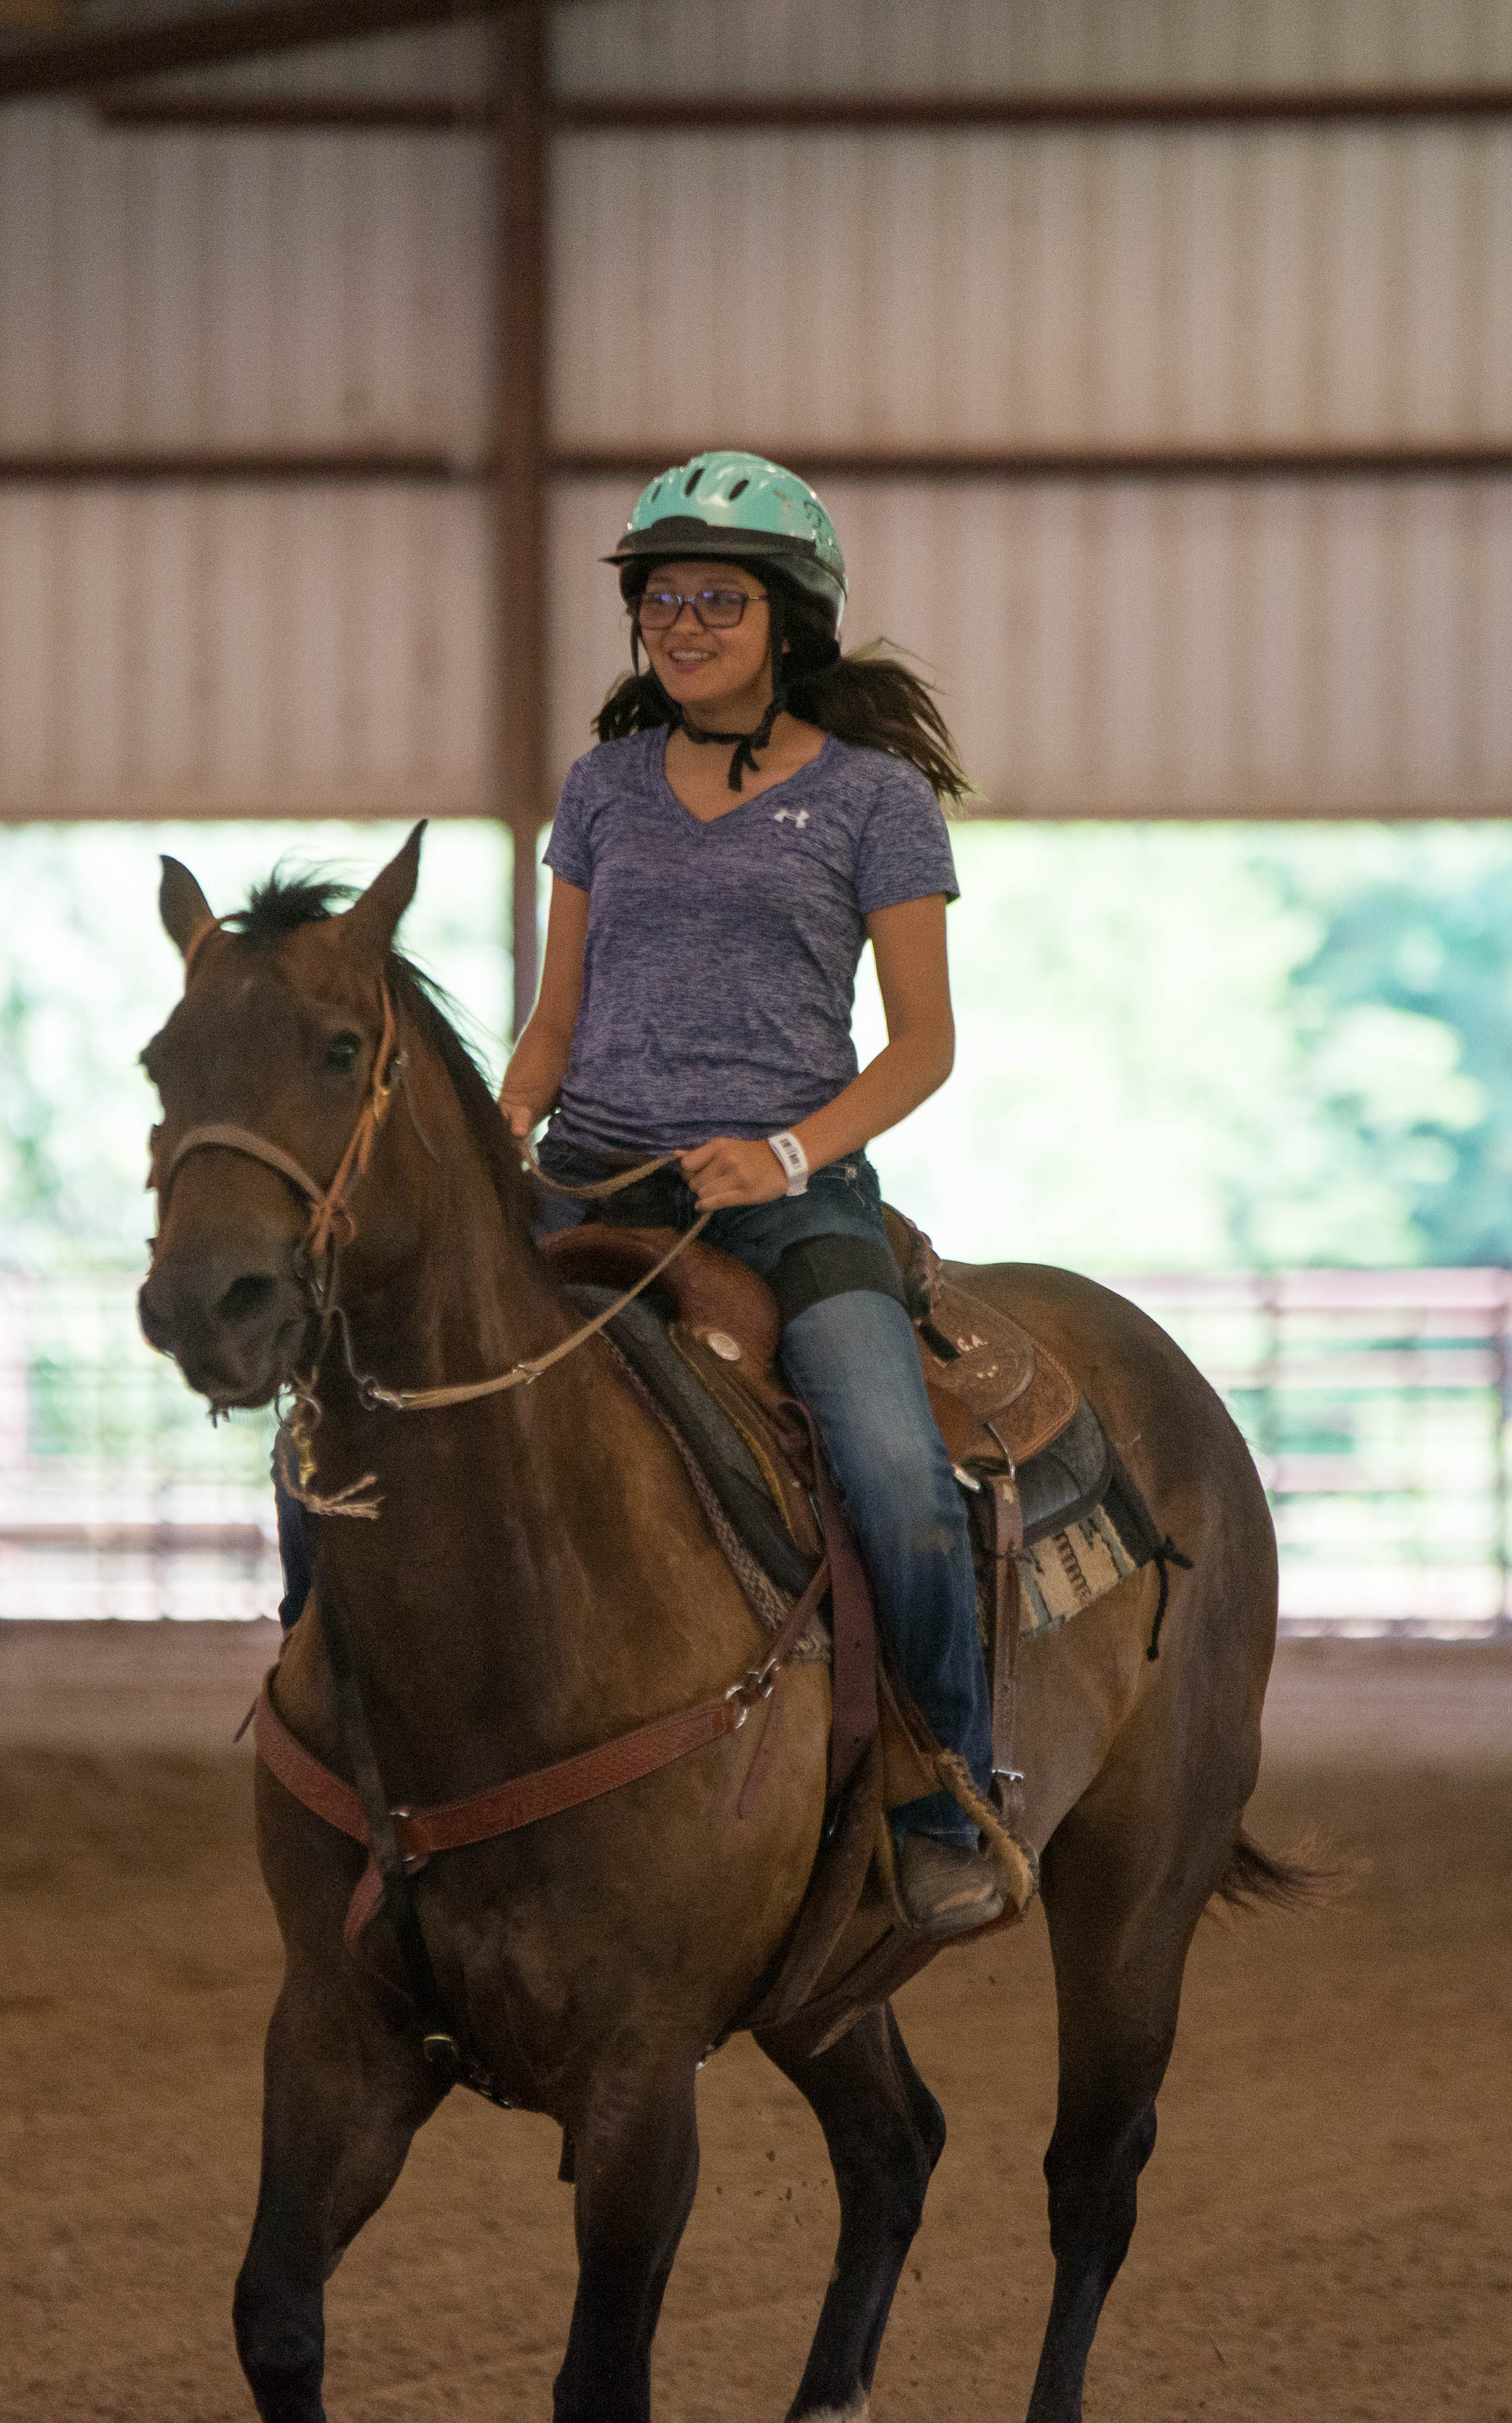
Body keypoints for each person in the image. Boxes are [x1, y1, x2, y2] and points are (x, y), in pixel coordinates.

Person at [497, 449, 1006, 1940]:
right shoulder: (599, 789)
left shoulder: (876, 802)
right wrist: (507, 1119)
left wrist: (784, 1154)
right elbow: (553, 1013)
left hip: (791, 1204)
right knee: (374, 1402)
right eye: (659, 597)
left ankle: (942, 1789)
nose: (680, 621)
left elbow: (925, 1044)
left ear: (792, 615)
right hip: (587, 1173)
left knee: (900, 1483)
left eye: (717, 597)